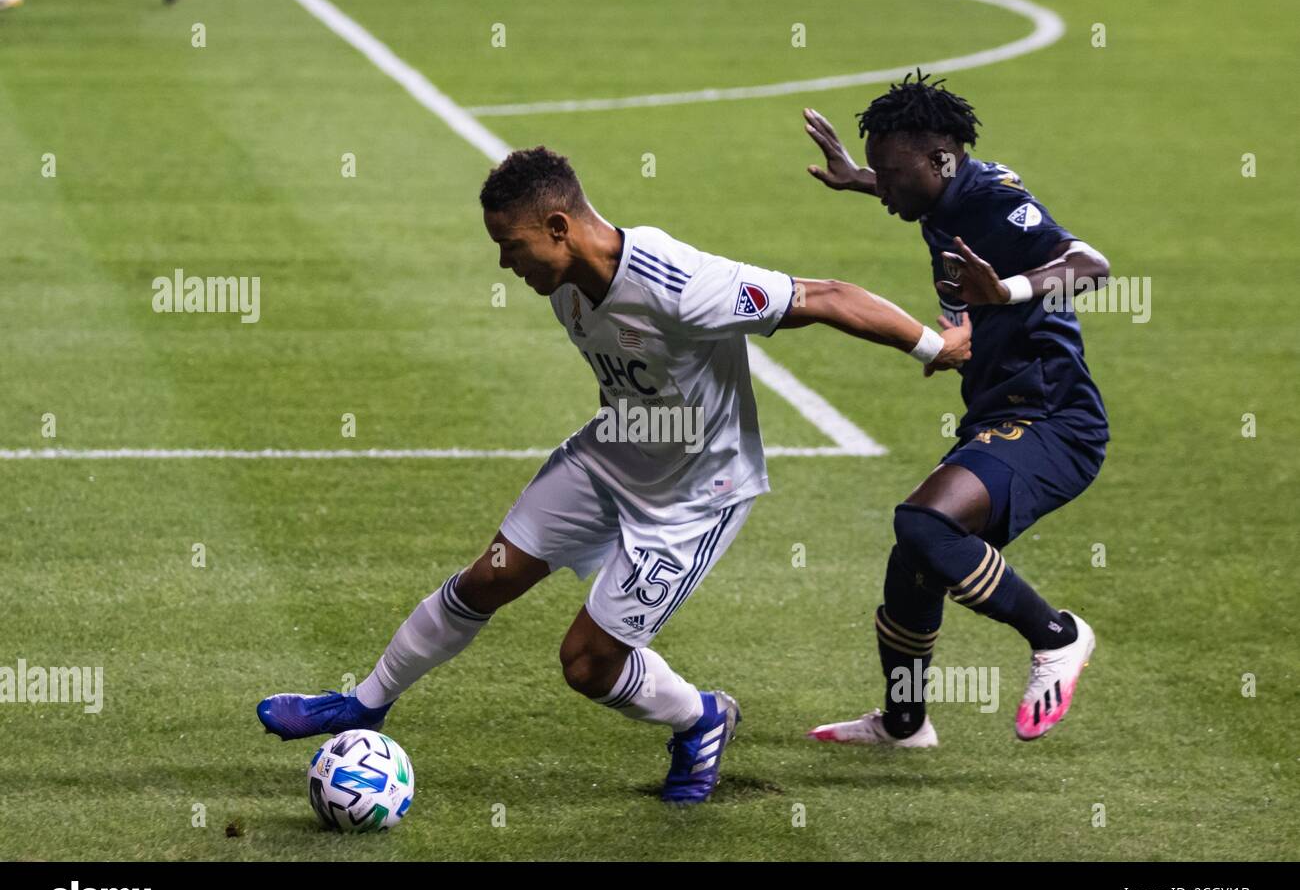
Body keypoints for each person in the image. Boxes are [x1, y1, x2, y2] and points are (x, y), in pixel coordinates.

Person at [258, 146, 969, 803]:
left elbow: (829, 296)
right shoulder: (566, 286)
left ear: (559, 227)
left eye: (511, 246)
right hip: (610, 456)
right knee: (490, 577)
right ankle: (367, 702)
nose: (507, 264)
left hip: (695, 497)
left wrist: (937, 347)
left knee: (587, 664)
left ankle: (701, 718)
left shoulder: (682, 285)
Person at [802, 72, 1111, 745]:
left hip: (1053, 419)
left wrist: (1006, 293)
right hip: (1001, 408)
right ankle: (905, 725)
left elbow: (1090, 263)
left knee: (924, 525)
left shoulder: (994, 201)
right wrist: (858, 177)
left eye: (890, 174)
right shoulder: (939, 192)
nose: (884, 188)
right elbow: (912, 191)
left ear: (941, 159)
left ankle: (1057, 636)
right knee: (913, 567)